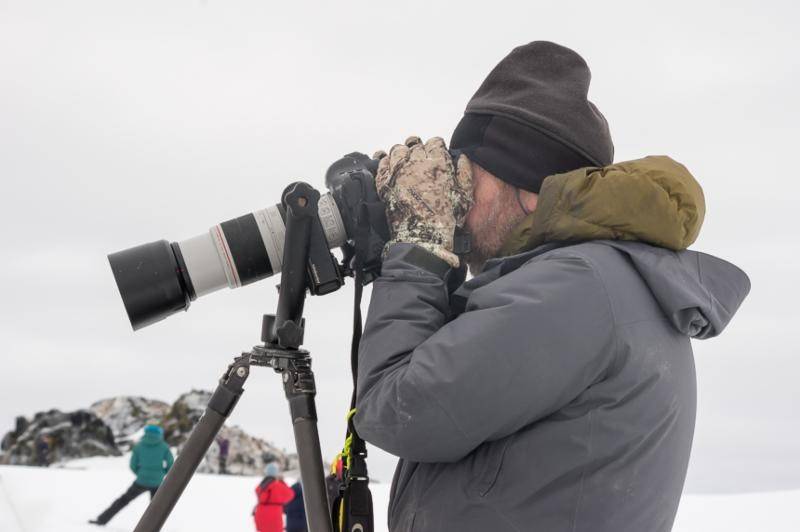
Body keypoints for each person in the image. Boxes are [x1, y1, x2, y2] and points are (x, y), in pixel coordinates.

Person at [353, 41, 750, 531]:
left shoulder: (575, 288)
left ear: (529, 191)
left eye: (468, 179)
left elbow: (397, 409)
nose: (452, 200)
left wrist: (418, 251)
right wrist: (433, 259)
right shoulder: (597, 281)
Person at [89, 424, 174, 526]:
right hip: (158, 481)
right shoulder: (164, 446)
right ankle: (154, 527)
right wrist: (162, 473)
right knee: (157, 507)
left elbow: (133, 464)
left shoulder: (139, 446)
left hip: (141, 480)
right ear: (159, 434)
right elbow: (171, 463)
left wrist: (140, 473)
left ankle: (102, 520)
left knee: (123, 501)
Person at [253, 462, 295, 532]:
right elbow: (290, 494)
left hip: (260, 513)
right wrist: (282, 481)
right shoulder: (277, 485)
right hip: (274, 515)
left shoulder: (261, 485)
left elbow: (257, 492)